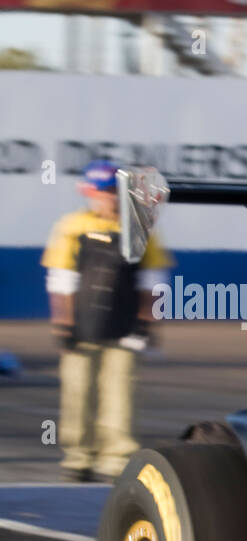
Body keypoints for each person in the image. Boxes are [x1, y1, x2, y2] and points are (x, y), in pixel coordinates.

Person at [42, 160, 171, 482]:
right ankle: (79, 456)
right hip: (82, 327)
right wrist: (63, 325)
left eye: (113, 192)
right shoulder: (71, 226)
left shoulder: (139, 227)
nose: (107, 198)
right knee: (77, 391)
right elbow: (61, 279)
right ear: (86, 191)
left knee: (120, 392)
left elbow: (152, 282)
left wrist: (145, 324)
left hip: (124, 328)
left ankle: (116, 457)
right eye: (100, 192)